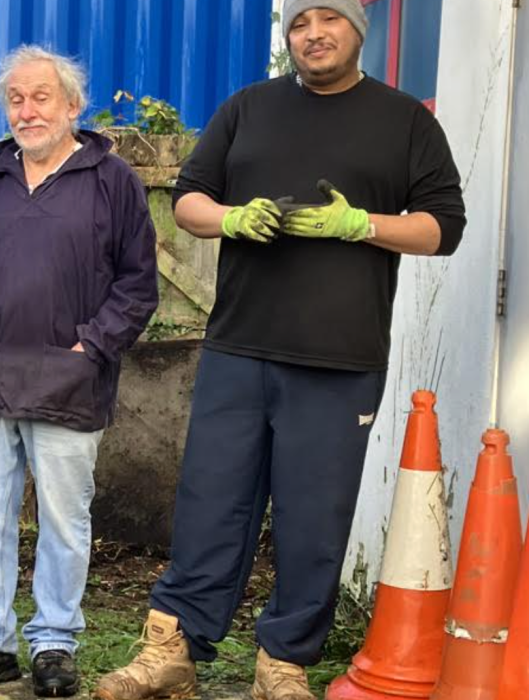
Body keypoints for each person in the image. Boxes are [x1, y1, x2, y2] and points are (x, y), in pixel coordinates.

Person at [94, 2, 466, 699]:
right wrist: (232, 216)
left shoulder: (404, 121)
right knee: (210, 501)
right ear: (288, 35)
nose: (314, 33)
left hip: (341, 358)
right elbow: (189, 202)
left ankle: (282, 663)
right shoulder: (247, 108)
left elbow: (443, 228)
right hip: (240, 346)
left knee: (313, 517)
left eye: (329, 18)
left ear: (360, 30)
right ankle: (171, 649)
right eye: (299, 22)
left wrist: (360, 225)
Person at [0, 45, 159, 698]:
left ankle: (55, 641)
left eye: (41, 97)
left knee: (63, 517)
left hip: (70, 380)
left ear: (72, 106)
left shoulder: (112, 182)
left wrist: (91, 349)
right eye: (16, 99)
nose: (27, 111)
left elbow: (138, 285)